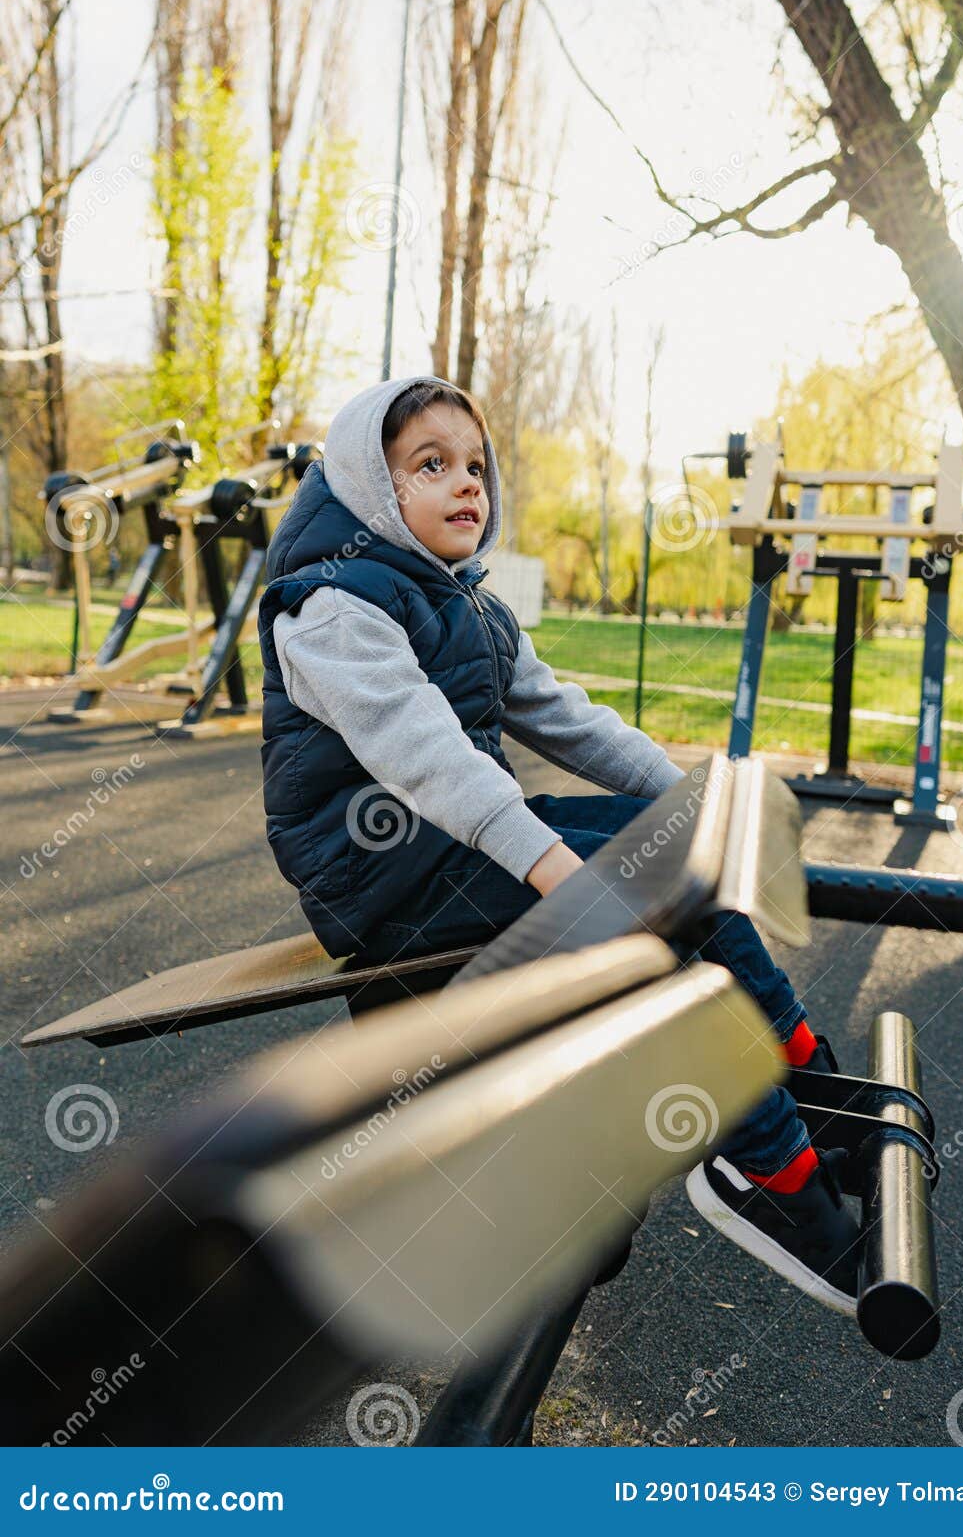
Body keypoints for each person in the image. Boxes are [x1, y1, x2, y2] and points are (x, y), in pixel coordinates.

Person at [257, 376, 860, 1315]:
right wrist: (555, 870)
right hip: (381, 878)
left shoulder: (468, 604)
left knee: (686, 856)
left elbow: (569, 722)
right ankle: (772, 1177)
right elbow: (427, 759)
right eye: (430, 465)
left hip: (450, 851)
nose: (467, 485)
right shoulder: (330, 607)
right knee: (653, 919)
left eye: (475, 467)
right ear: (369, 490)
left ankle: (809, 1080)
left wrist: (696, 798)